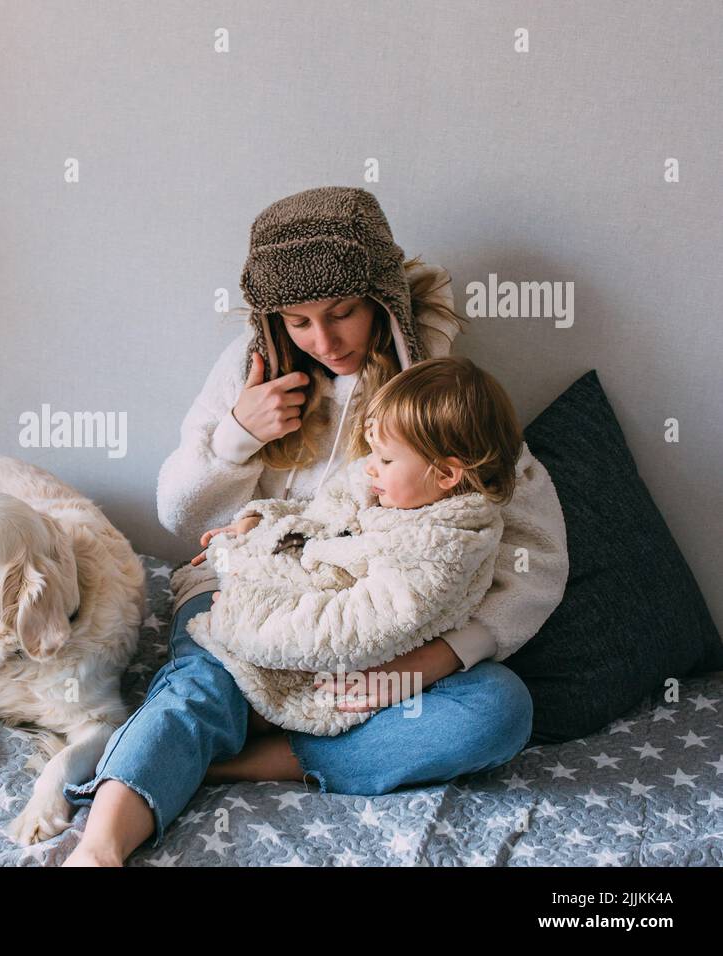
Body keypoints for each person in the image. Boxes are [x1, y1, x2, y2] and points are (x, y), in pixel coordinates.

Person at [61, 186, 569, 867]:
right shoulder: (247, 368)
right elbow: (181, 517)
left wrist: (432, 661)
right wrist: (238, 436)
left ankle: (249, 757)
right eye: (298, 321)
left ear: (385, 301)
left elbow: (536, 550)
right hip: (246, 590)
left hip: (369, 631)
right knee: (197, 688)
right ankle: (98, 848)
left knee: (498, 711)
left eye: (343, 314)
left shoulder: (436, 395)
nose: (324, 341)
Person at [188, 356, 524, 739]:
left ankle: (262, 756)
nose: (370, 467)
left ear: (446, 474)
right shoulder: (382, 487)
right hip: (266, 608)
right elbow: (316, 518)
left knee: (496, 707)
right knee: (192, 685)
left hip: (316, 659)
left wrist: (241, 615)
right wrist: (259, 525)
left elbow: (345, 632)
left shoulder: (439, 548)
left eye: (385, 459)